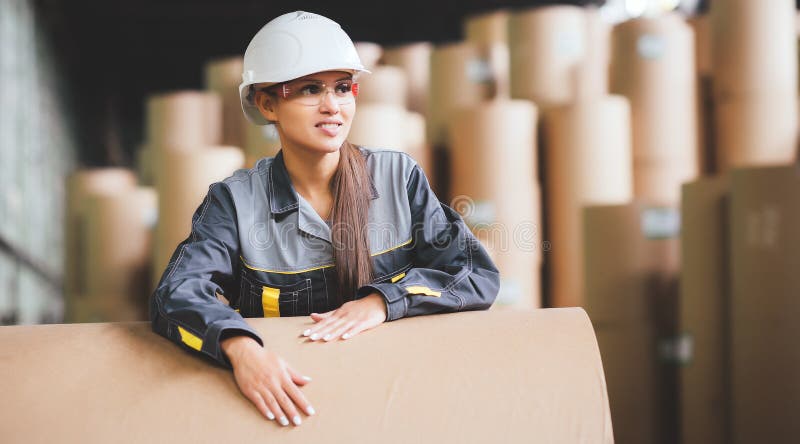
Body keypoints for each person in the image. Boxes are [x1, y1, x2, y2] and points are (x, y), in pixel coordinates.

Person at [149, 10, 500, 428]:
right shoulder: (235, 202)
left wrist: (382, 302)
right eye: (311, 89)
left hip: (393, 408)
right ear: (267, 103)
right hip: (288, 415)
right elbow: (177, 293)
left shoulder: (397, 178)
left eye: (343, 87)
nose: (332, 106)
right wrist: (242, 349)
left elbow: (475, 274)